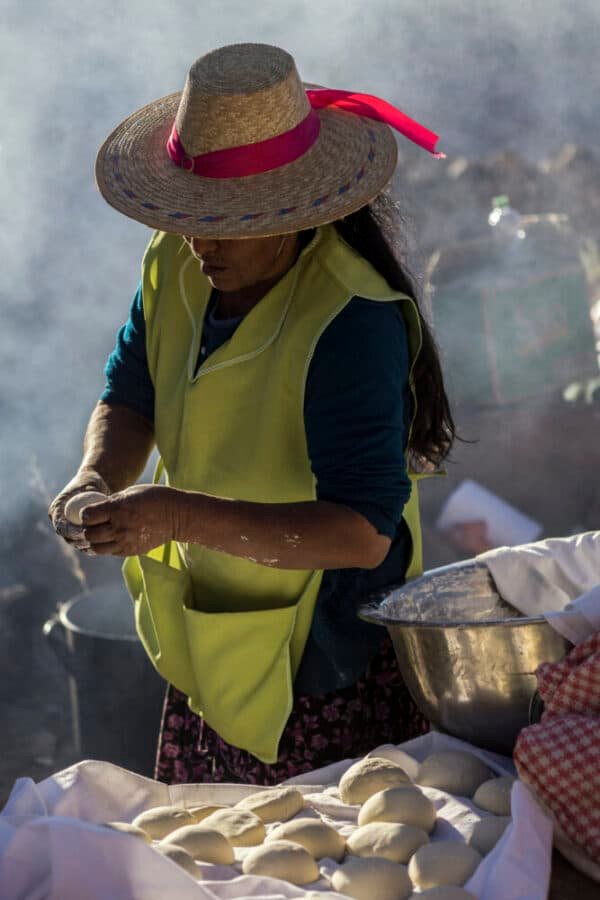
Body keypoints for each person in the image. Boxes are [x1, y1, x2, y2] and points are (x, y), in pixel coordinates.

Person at [49, 42, 455, 784]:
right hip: (218, 634)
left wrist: (175, 515)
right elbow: (130, 390)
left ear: (295, 213)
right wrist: (94, 479)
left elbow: (363, 534)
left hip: (325, 657)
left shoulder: (350, 318)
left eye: (227, 221)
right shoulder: (176, 256)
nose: (201, 240)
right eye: (194, 216)